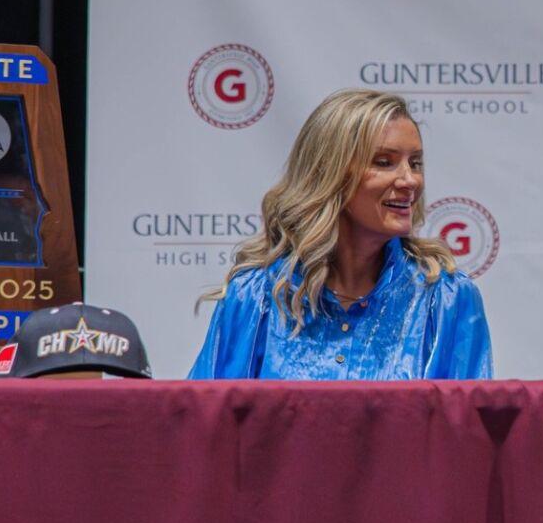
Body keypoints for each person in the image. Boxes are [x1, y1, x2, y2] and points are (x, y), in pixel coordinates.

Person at [190, 89, 491, 380]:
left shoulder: (445, 299)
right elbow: (207, 423)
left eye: (415, 163)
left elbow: (468, 429)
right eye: (384, 162)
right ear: (329, 174)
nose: (410, 180)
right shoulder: (256, 296)